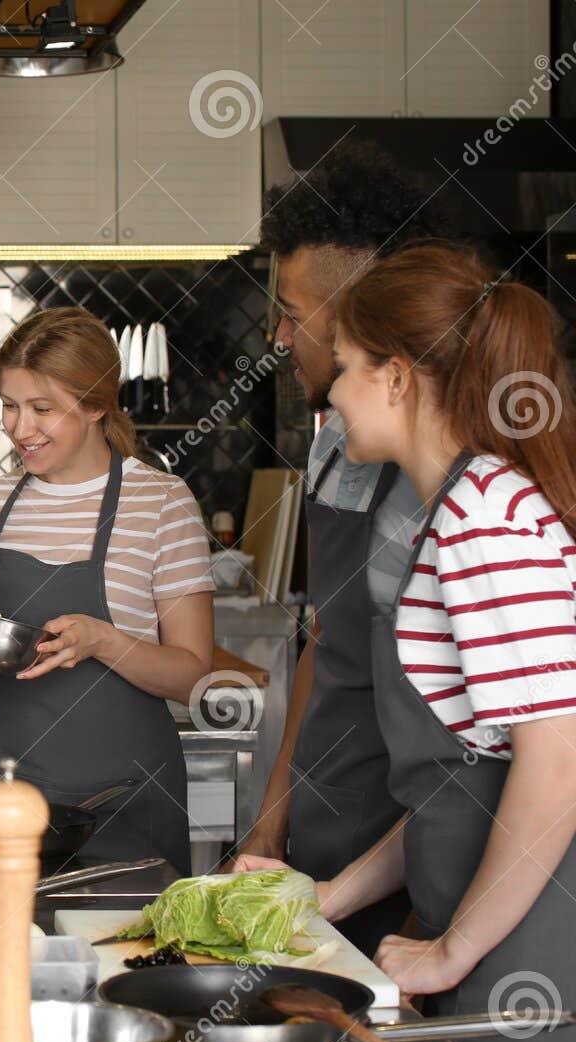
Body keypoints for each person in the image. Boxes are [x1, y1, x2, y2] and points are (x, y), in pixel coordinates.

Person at [239, 245, 576, 1042]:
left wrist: (456, 947)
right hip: (489, 928)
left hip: (530, 946)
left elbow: (556, 765)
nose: (336, 395)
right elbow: (459, 781)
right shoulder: (454, 512)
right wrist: (332, 895)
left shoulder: (484, 522)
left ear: (397, 377)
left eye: (348, 367)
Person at [238, 143, 449, 949]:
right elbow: (324, 641)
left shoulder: (473, 499)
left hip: (424, 870)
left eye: (293, 312)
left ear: (363, 314)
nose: (279, 334)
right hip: (327, 854)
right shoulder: (337, 446)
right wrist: (270, 819)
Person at [0, 308, 214, 873]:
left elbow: (194, 679)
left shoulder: (161, 502)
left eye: (42, 409)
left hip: (127, 802)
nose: (19, 428)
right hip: (9, 800)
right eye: (10, 406)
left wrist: (103, 641)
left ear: (94, 406)